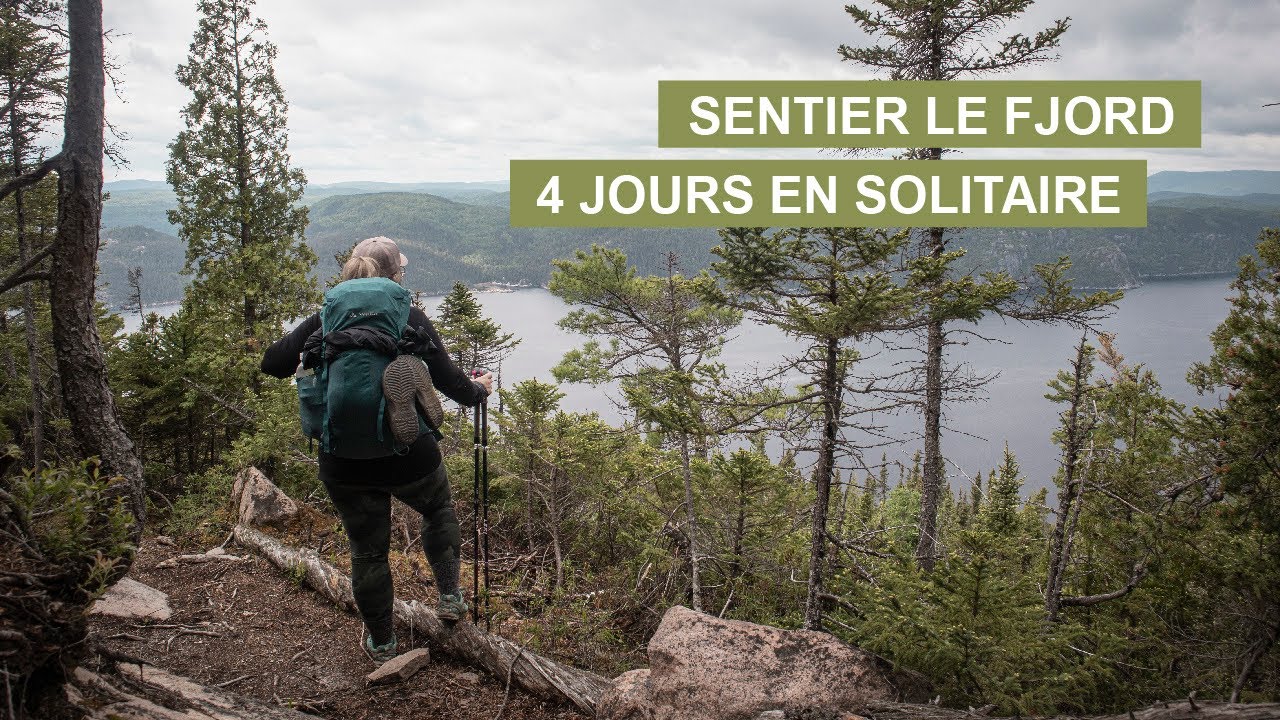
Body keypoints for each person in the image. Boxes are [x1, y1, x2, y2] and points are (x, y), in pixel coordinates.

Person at [260, 236, 493, 663]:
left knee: (367, 551)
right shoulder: (410, 316)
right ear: (395, 275)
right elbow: (453, 385)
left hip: (344, 460)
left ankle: (382, 642)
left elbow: (271, 363)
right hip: (410, 455)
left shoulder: (326, 318)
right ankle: (450, 598)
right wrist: (480, 389)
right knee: (437, 510)